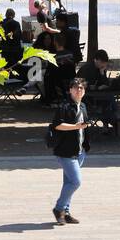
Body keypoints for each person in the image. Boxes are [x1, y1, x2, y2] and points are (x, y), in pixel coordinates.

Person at [49, 77, 91, 225]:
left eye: (81, 88)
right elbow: (57, 126)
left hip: (79, 151)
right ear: (70, 90)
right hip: (65, 151)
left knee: (68, 183)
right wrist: (76, 126)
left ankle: (65, 212)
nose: (79, 90)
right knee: (76, 182)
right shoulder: (65, 106)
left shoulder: (83, 106)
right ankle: (59, 208)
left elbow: (83, 127)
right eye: (76, 87)